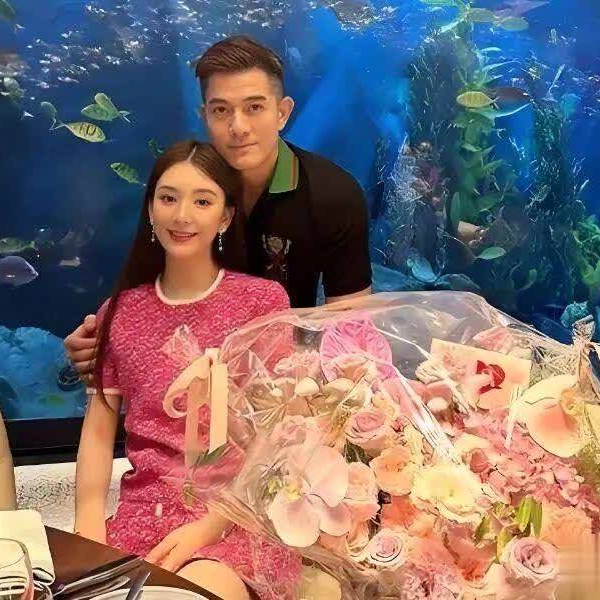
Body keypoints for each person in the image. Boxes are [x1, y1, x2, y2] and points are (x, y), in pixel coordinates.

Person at [64, 35, 372, 380]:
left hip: (288, 372)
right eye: (221, 110)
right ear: (204, 115)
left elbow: (351, 329)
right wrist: (99, 341)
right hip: (184, 370)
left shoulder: (332, 195)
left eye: (254, 108)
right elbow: (145, 288)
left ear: (282, 112)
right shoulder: (183, 186)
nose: (238, 128)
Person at [73, 140, 301, 600]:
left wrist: (207, 529)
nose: (182, 215)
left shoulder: (262, 304)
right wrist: (87, 528)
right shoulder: (121, 311)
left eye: (202, 201)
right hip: (141, 513)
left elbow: (277, 436)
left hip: (236, 519)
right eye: (169, 197)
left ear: (226, 216)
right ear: (150, 209)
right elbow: (98, 429)